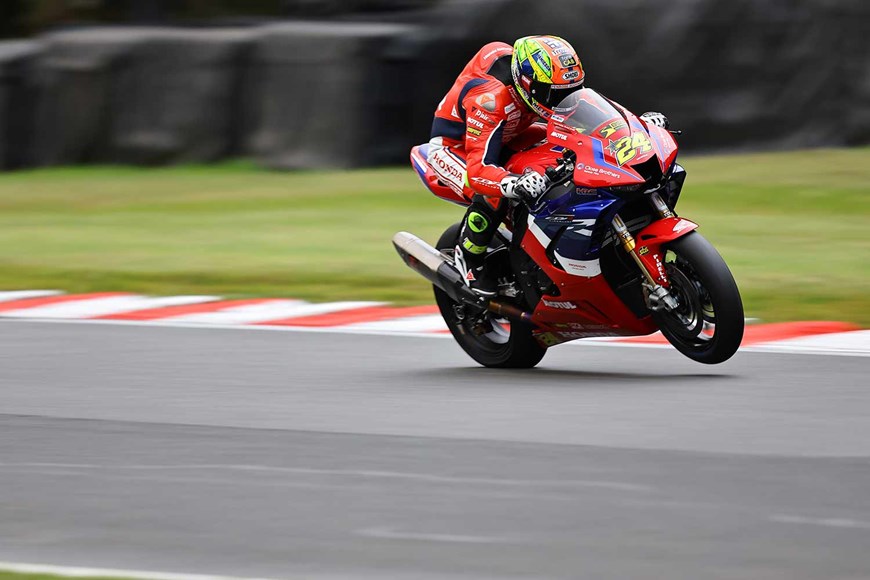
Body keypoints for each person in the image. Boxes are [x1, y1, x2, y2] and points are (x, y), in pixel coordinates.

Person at [426, 35, 668, 296]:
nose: (562, 98)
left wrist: (636, 128)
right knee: (493, 191)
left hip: (515, 131)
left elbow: (592, 112)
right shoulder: (490, 100)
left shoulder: (546, 82)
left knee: (572, 153)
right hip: (456, 147)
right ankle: (470, 260)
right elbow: (479, 171)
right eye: (555, 93)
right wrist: (512, 183)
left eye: (571, 89)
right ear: (527, 84)